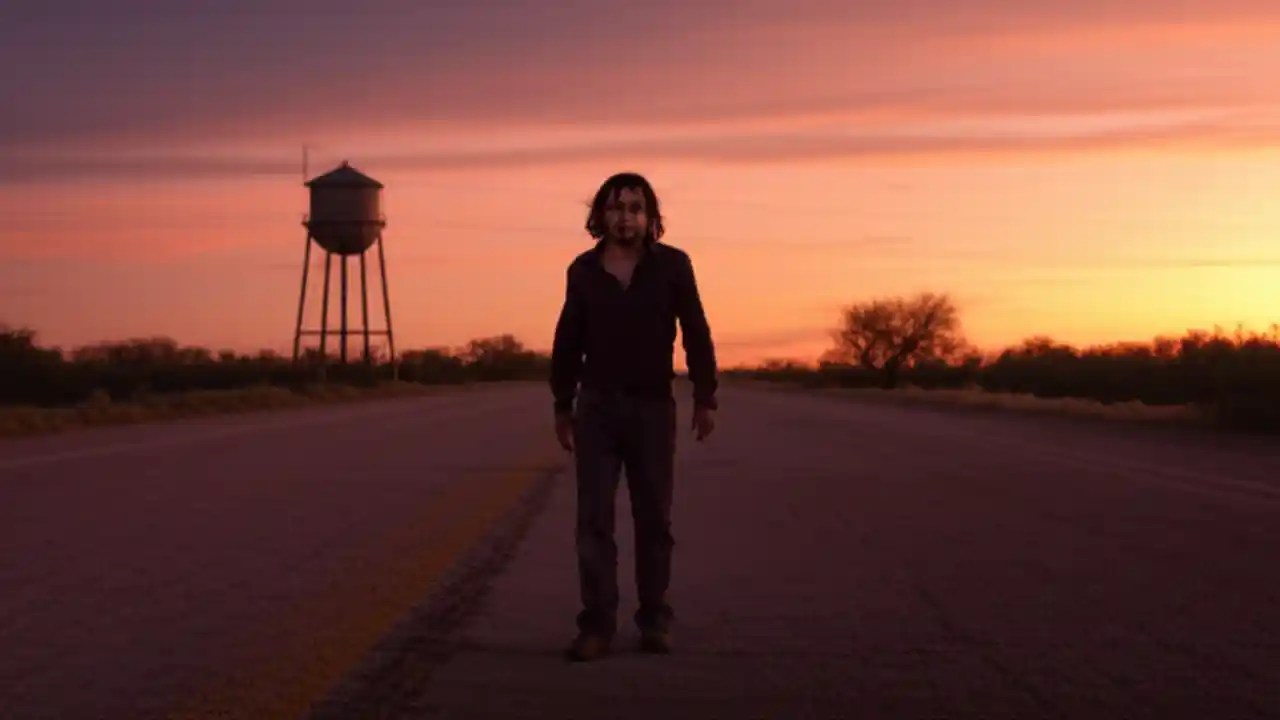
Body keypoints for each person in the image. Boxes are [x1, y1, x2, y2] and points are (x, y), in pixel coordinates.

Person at [550, 171, 719, 662]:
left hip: (651, 407)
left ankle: (654, 620)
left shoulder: (673, 267)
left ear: (650, 218)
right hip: (597, 407)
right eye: (617, 207)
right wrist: (562, 403)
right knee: (594, 522)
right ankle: (597, 626)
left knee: (653, 520)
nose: (626, 216)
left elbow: (696, 331)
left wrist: (705, 397)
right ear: (601, 215)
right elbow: (567, 341)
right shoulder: (582, 271)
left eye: (635, 208)